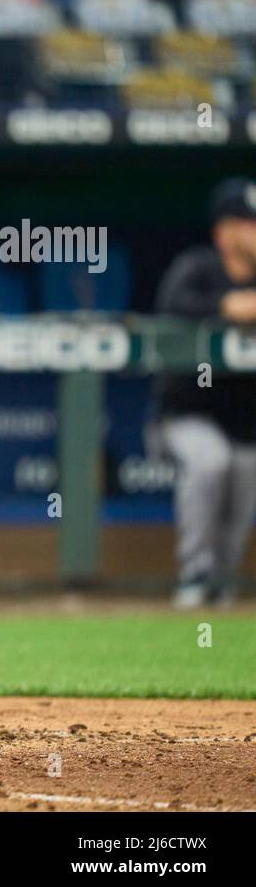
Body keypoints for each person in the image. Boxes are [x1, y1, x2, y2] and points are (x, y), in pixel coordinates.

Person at [155, 177, 256, 608]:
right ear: (224, 232)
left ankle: (220, 580)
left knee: (246, 469)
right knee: (211, 459)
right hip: (183, 416)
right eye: (248, 223)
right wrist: (225, 306)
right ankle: (195, 575)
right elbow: (171, 306)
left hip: (246, 424)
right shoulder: (197, 268)